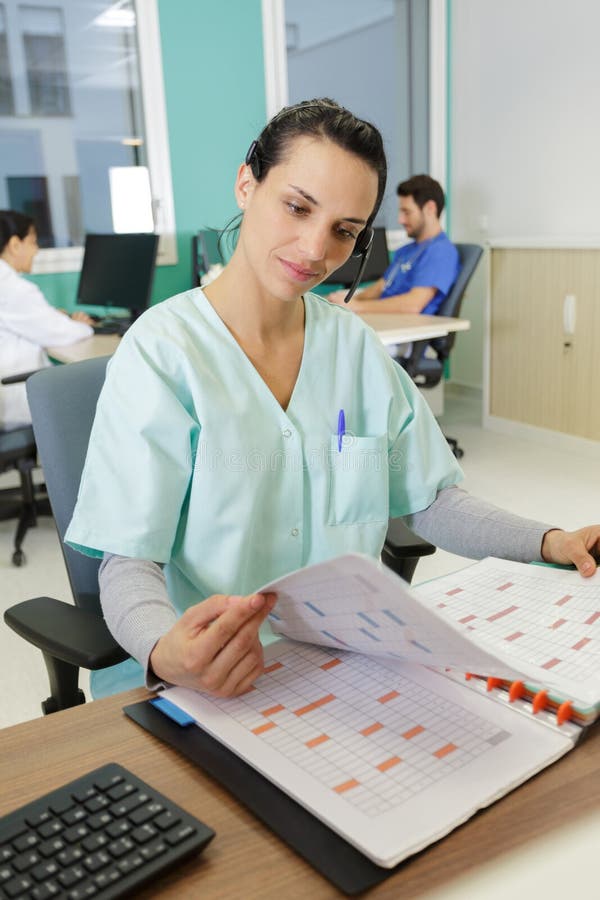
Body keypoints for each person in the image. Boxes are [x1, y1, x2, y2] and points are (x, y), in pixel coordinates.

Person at [64, 99, 600, 703]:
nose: (316, 249)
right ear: (247, 184)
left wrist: (549, 541)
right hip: (212, 678)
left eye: (345, 231)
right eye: (297, 207)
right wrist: (167, 651)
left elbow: (431, 502)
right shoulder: (164, 353)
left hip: (350, 662)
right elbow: (128, 563)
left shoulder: (354, 347)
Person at [0, 210, 94, 430]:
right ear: (15, 245)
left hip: (8, 386)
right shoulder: (13, 288)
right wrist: (83, 326)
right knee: (95, 393)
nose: (37, 250)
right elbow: (59, 334)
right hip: (14, 395)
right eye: (33, 242)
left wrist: (55, 318)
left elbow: (36, 322)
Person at [328, 174, 459, 315]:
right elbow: (381, 286)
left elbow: (413, 305)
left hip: (408, 325)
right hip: (386, 317)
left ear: (430, 208)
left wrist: (357, 306)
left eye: (407, 212)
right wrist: (348, 299)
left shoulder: (440, 251)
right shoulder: (406, 250)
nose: (400, 220)